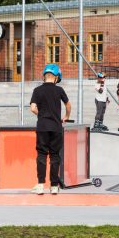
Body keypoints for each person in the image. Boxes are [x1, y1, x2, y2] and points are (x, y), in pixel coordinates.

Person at [29, 63, 72, 195]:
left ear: (44, 76)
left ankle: (40, 185)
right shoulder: (59, 90)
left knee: (41, 154)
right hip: (56, 127)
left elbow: (32, 108)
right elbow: (68, 104)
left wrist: (41, 115)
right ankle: (54, 186)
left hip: (42, 127)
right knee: (55, 155)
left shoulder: (37, 90)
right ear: (56, 77)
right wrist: (66, 116)